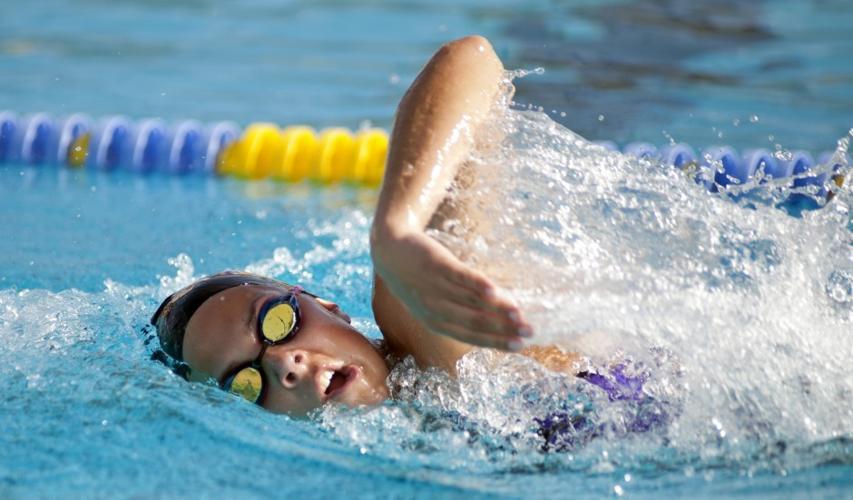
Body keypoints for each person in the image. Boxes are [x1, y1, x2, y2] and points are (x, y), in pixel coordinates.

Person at [151, 37, 669, 439]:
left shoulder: (417, 320)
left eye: (276, 322)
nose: (283, 364)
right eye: (246, 383)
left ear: (329, 307)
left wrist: (394, 229)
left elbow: (472, 60)